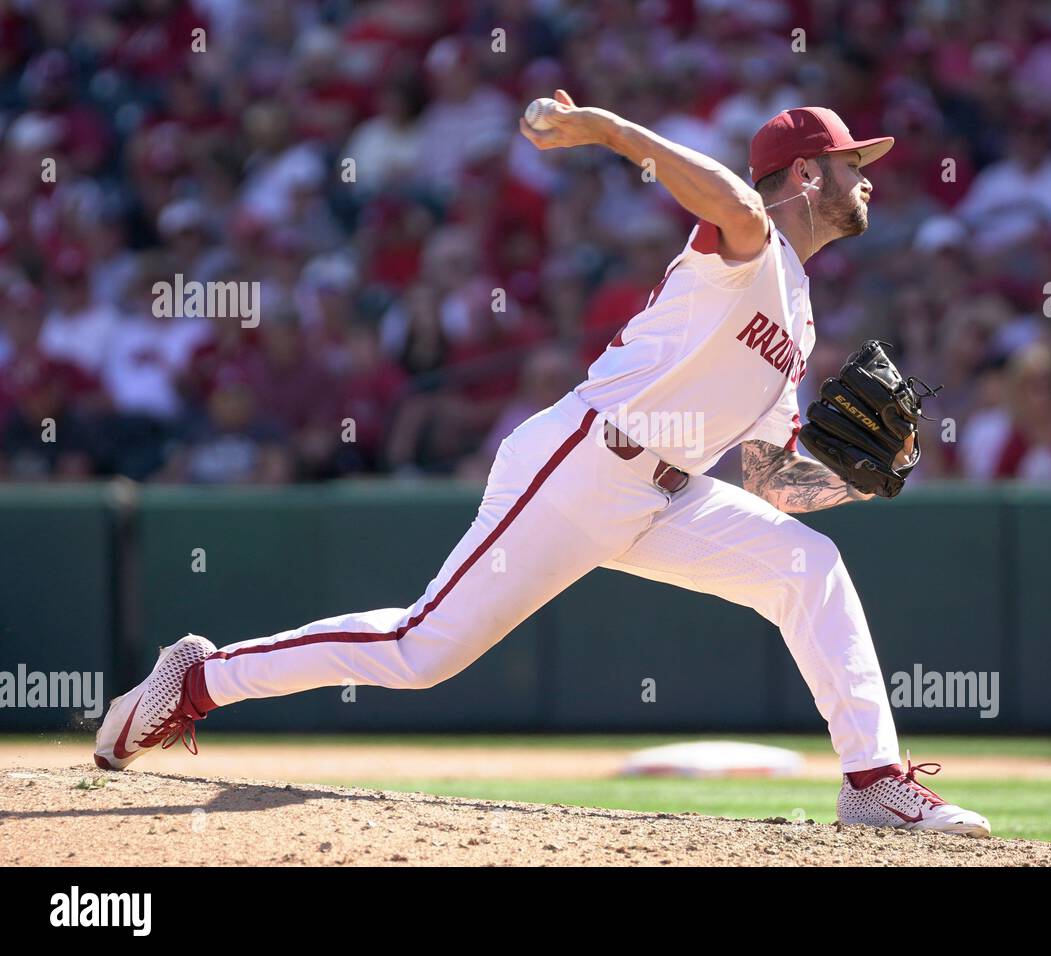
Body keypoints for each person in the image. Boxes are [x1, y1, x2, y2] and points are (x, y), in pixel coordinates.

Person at [95, 94, 990, 838]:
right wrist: (608, 132)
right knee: (419, 651)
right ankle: (200, 675)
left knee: (809, 566)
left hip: (667, 495)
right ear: (805, 173)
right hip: (583, 465)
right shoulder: (744, 248)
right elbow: (733, 202)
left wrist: (856, 479)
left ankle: (872, 781)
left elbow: (771, 477)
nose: (866, 174)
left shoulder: (796, 316)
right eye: (850, 161)